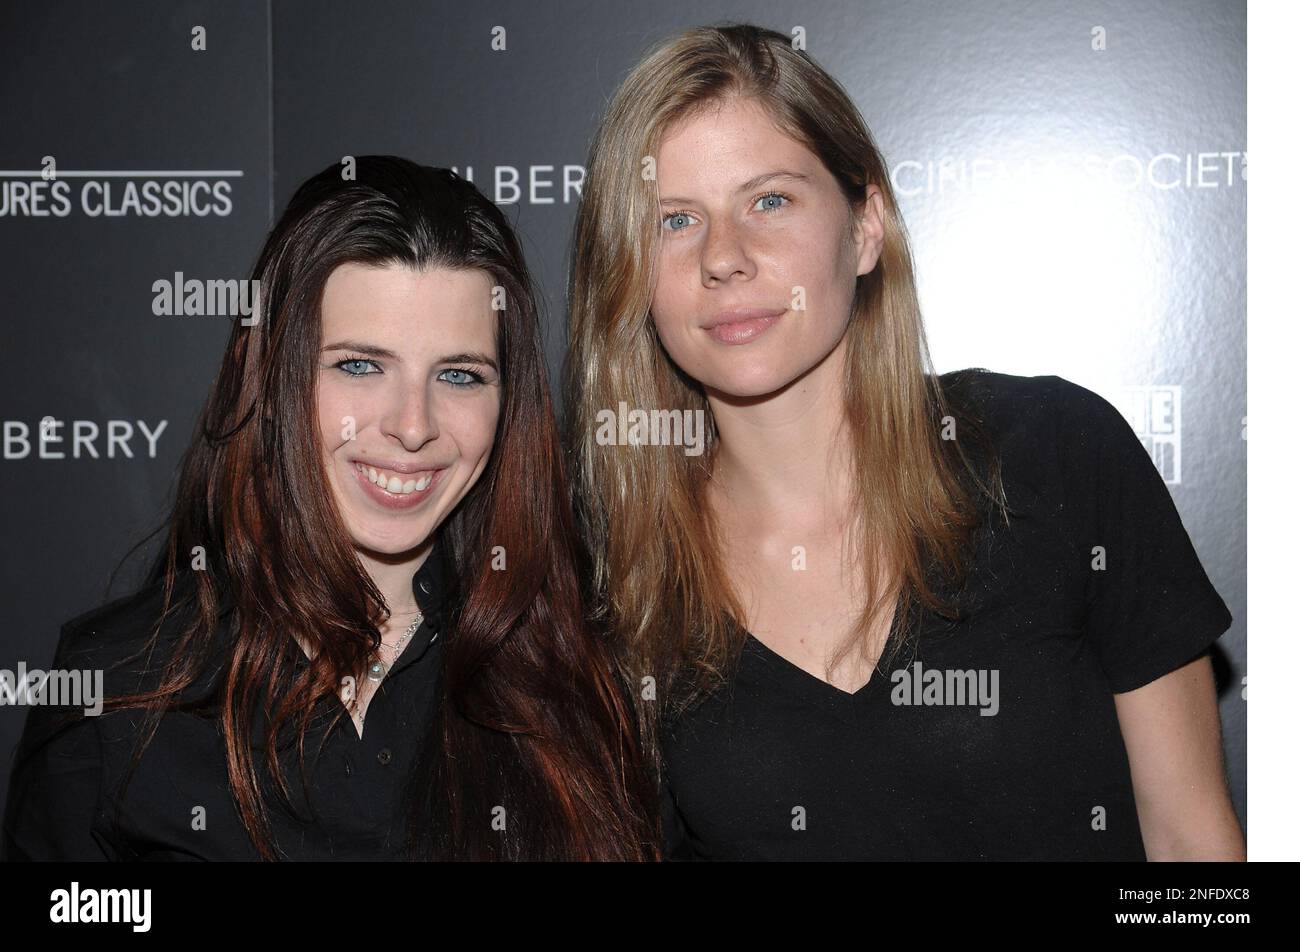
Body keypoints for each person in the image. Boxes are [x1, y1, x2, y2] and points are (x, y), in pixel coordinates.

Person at [564, 24, 1243, 860]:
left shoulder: (1055, 455)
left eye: (769, 201)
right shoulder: (616, 581)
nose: (724, 258)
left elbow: (1193, 849)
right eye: (673, 220)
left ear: (865, 224)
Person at [4, 156, 657, 861]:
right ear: (274, 375)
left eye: (460, 375)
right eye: (359, 365)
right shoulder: (117, 685)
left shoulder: (589, 677)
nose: (413, 425)